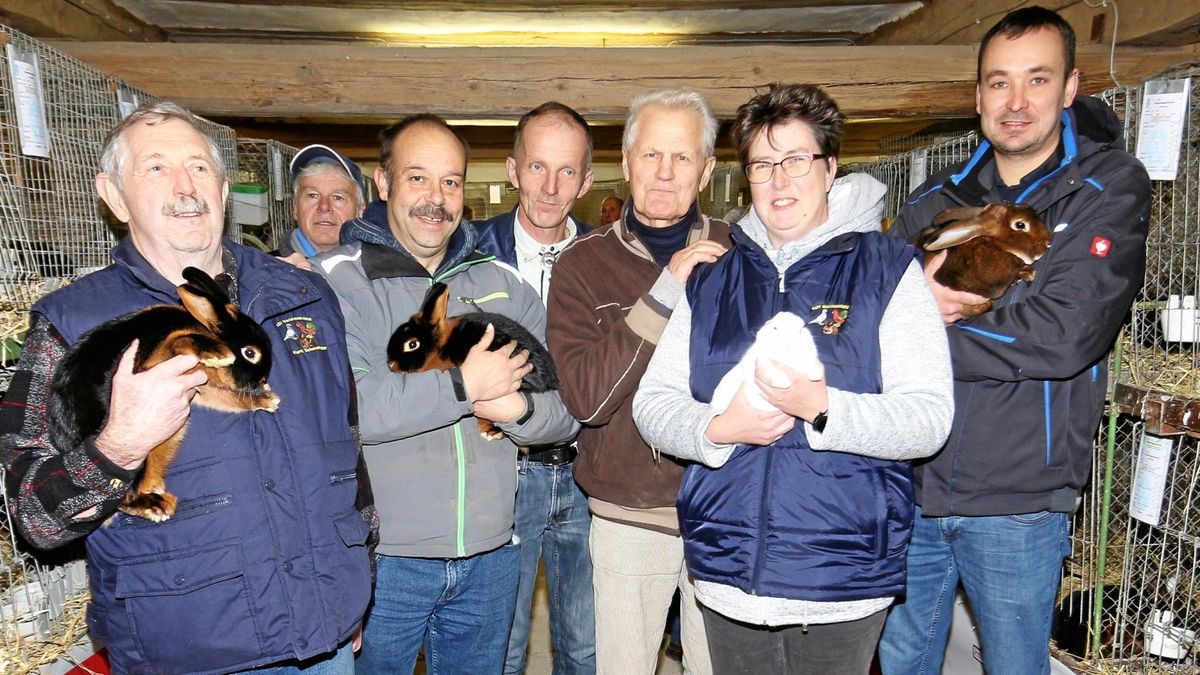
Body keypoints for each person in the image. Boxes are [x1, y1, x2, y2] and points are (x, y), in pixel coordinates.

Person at [1, 102, 375, 674]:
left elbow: (347, 443)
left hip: (325, 635)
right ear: (113, 196)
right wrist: (120, 444)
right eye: (156, 168)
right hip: (185, 646)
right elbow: (34, 515)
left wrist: (360, 578)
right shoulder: (72, 324)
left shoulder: (302, 294)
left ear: (223, 190)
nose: (186, 188)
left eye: (200, 168)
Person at [632, 83, 953, 674]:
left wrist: (821, 407)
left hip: (842, 576)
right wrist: (719, 428)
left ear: (830, 168)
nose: (779, 181)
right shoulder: (711, 280)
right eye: (762, 164)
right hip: (728, 571)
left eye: (796, 160)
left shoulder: (887, 270)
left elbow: (928, 418)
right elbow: (653, 404)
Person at [877, 7, 1151, 674]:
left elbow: (1063, 335)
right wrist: (931, 317)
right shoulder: (933, 202)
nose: (1017, 102)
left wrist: (919, 323)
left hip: (1021, 501)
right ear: (977, 98)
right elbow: (864, 316)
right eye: (999, 83)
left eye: (1037, 80)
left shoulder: (1104, 189)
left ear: (1070, 87)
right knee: (900, 660)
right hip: (909, 486)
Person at [312, 114, 579, 674]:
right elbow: (353, 408)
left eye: (451, 182)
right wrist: (465, 385)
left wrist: (516, 410)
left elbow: (565, 412)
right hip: (384, 560)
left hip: (491, 555)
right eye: (418, 179)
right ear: (382, 185)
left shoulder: (504, 283)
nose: (437, 198)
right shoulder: (336, 283)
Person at [546, 88, 730, 675]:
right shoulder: (582, 263)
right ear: (625, 163)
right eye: (650, 155)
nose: (664, 173)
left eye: (681, 158)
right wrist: (665, 293)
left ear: (706, 169)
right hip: (628, 514)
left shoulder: (742, 253)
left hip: (726, 508)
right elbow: (587, 399)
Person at [475, 101, 597, 675]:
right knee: (504, 644)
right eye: (537, 167)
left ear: (588, 180)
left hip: (588, 474)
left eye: (567, 171)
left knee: (586, 644)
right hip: (499, 468)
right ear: (512, 168)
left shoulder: (609, 258)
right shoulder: (466, 253)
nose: (550, 187)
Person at [276, 144, 366, 268]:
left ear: (360, 211)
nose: (324, 207)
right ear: (295, 207)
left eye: (337, 197)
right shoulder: (264, 273)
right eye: (313, 195)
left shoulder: (379, 273)